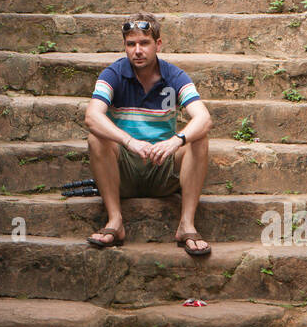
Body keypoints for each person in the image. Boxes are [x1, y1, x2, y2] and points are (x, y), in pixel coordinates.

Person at [83, 13, 213, 256]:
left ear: (158, 45)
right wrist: (129, 141)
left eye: (144, 43)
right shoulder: (113, 74)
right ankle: (115, 221)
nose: (137, 50)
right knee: (96, 138)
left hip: (163, 166)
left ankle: (186, 224)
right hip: (125, 172)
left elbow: (204, 118)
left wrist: (175, 141)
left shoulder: (174, 76)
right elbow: (92, 116)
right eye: (131, 44)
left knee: (199, 137)